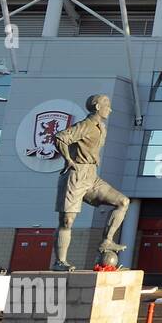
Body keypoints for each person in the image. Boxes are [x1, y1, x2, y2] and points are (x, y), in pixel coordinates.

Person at [51, 94, 132, 271]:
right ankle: (60, 262)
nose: (110, 109)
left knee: (123, 202)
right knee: (67, 220)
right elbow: (60, 137)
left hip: (92, 176)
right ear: (97, 107)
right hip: (77, 174)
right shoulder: (86, 125)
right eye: (107, 105)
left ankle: (107, 240)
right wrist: (69, 160)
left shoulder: (101, 127)